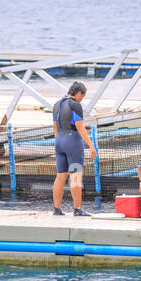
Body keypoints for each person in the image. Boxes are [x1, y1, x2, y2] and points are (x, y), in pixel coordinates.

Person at [52, 81, 95, 216]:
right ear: (78, 93)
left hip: (59, 140)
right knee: (75, 176)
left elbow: (55, 126)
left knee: (60, 177)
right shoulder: (75, 105)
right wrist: (91, 145)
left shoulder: (56, 105)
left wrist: (60, 140)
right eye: (82, 96)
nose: (82, 99)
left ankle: (57, 209)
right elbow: (80, 126)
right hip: (73, 142)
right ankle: (77, 209)